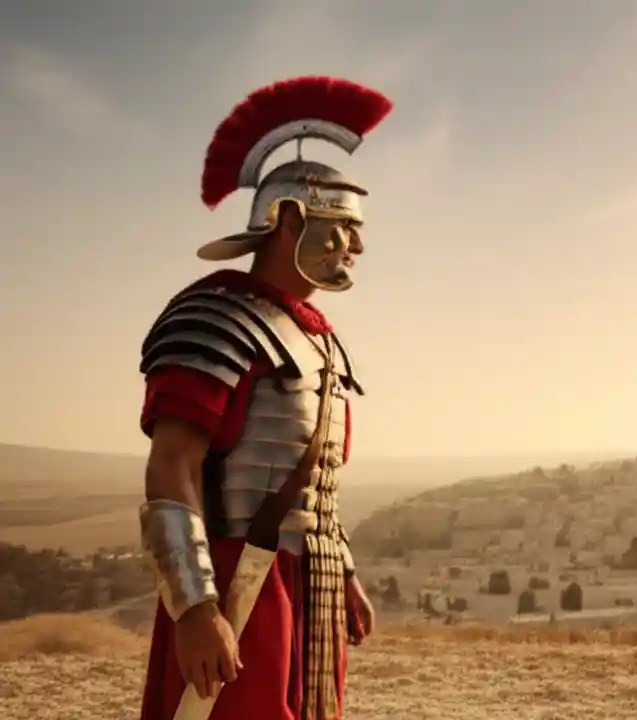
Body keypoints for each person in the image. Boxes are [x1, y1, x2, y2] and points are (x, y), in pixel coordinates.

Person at [137, 76, 393, 720]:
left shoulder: (319, 341)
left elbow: (316, 488)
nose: (356, 247)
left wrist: (345, 572)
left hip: (306, 580)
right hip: (236, 579)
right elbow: (173, 464)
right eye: (342, 228)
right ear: (289, 220)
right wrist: (194, 607)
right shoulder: (216, 318)